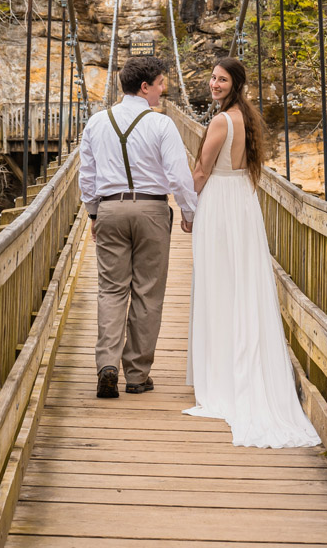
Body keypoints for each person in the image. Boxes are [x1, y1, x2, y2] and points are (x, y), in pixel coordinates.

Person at [184, 57, 321, 449]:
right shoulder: (244, 118)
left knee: (217, 284)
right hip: (242, 204)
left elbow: (201, 172)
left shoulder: (220, 121)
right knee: (239, 285)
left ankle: (222, 378)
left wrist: (185, 206)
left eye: (221, 79)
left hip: (220, 205)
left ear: (235, 84)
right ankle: (236, 367)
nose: (213, 83)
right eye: (211, 77)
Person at [80, 55, 197, 399]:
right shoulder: (161, 125)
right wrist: (189, 212)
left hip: (111, 209)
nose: (164, 90)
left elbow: (87, 175)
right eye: (161, 84)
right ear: (145, 87)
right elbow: (178, 174)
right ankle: (136, 374)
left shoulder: (97, 123)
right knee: (148, 292)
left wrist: (92, 213)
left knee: (112, 289)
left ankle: (107, 366)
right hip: (152, 211)